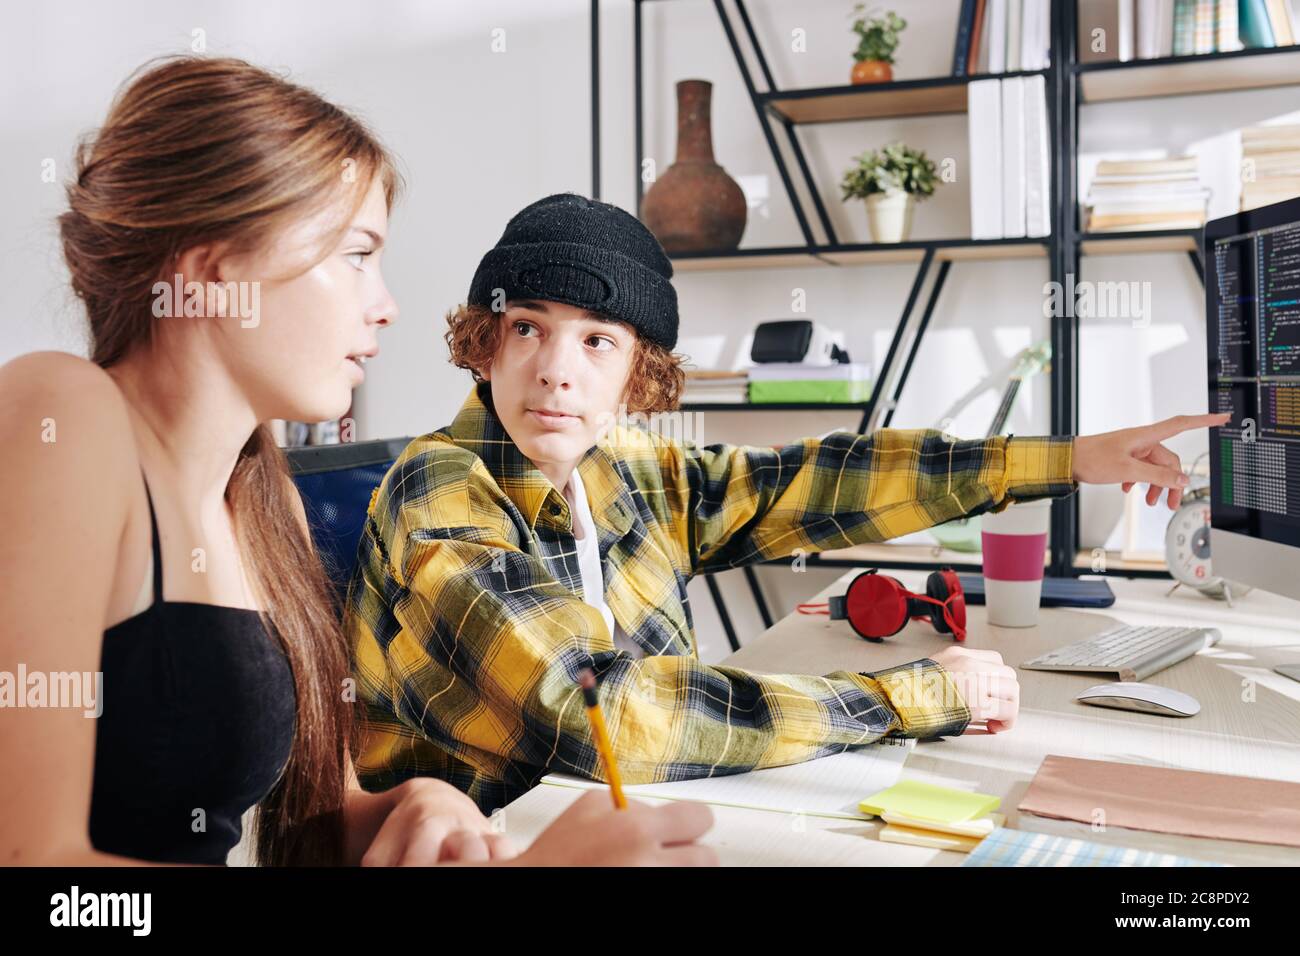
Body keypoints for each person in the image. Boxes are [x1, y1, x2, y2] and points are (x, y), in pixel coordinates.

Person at [0, 58, 713, 867]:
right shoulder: (60, 413)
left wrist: (404, 808)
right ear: (211, 264)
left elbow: (315, 826)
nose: (387, 304)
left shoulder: (262, 501)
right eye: (355, 254)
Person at [348, 192, 1230, 815]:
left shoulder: (620, 469)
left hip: (622, 822)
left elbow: (811, 483)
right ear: (484, 340)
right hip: (493, 844)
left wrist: (1073, 458)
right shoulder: (441, 487)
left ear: (639, 371)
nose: (555, 368)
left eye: (598, 339)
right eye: (527, 327)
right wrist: (904, 699)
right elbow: (604, 716)